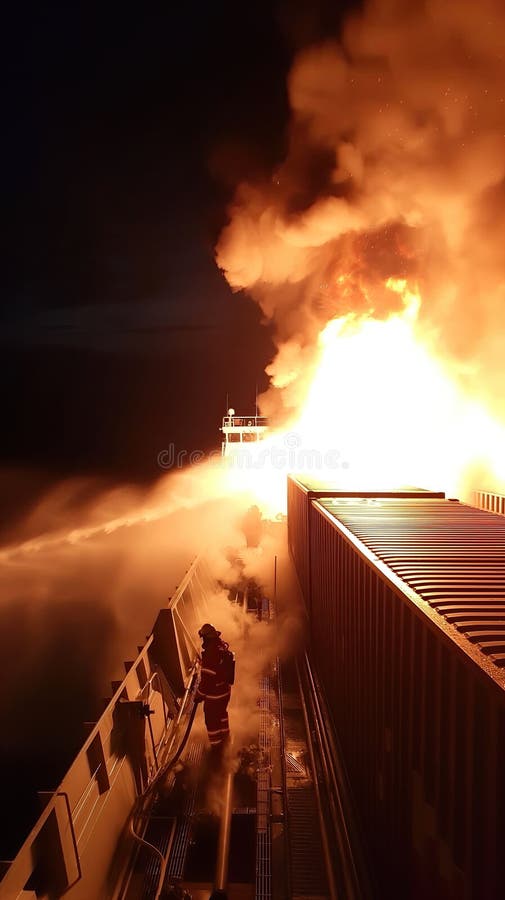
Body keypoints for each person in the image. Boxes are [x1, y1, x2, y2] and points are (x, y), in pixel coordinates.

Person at [195, 623, 233, 751]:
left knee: (211, 721)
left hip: (215, 695)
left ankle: (217, 748)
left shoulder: (210, 654)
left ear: (206, 638)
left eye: (203, 638)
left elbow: (207, 680)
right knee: (222, 715)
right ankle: (226, 739)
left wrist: (199, 695)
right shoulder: (221, 647)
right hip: (225, 691)